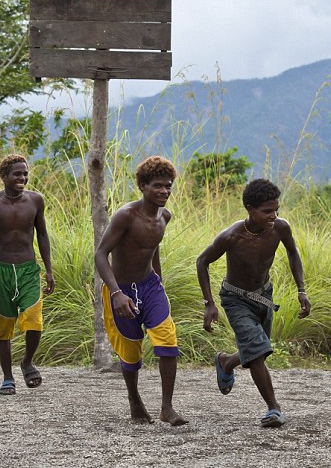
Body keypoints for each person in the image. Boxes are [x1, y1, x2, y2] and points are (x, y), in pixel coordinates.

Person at [197, 178, 310, 428]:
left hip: (263, 296)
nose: (274, 215)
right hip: (235, 298)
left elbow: (293, 252)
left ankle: (226, 362)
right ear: (249, 209)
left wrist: (301, 289)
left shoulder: (280, 228)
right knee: (257, 352)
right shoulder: (231, 237)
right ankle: (274, 409)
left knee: (258, 347)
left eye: (276, 209)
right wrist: (209, 303)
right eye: (267, 211)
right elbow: (202, 261)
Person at [94, 156, 187, 426]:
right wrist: (115, 293)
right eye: (158, 186)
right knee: (131, 353)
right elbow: (101, 254)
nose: (164, 192)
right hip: (120, 289)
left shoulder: (164, 216)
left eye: (168, 187)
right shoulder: (126, 215)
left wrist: (159, 279)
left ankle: (167, 408)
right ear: (143, 186)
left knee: (168, 341)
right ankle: (135, 401)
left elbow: (152, 247)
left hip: (150, 286)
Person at [0, 154, 55, 395]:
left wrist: (49, 269)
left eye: (25, 173)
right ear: (4, 177)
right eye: (17, 174)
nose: (22, 178)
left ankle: (27, 362)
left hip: (29, 270)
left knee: (34, 321)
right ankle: (7, 378)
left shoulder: (35, 201)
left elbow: (42, 235)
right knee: (3, 326)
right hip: (1, 271)